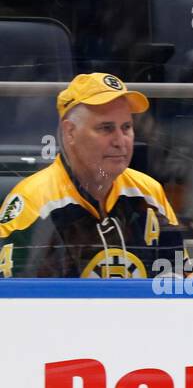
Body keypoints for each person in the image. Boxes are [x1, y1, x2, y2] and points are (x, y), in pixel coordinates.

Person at [1, 73, 183, 279]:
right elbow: (13, 302)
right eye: (106, 128)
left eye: (127, 127)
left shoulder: (148, 191)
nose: (120, 140)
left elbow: (182, 282)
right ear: (70, 132)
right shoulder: (33, 201)